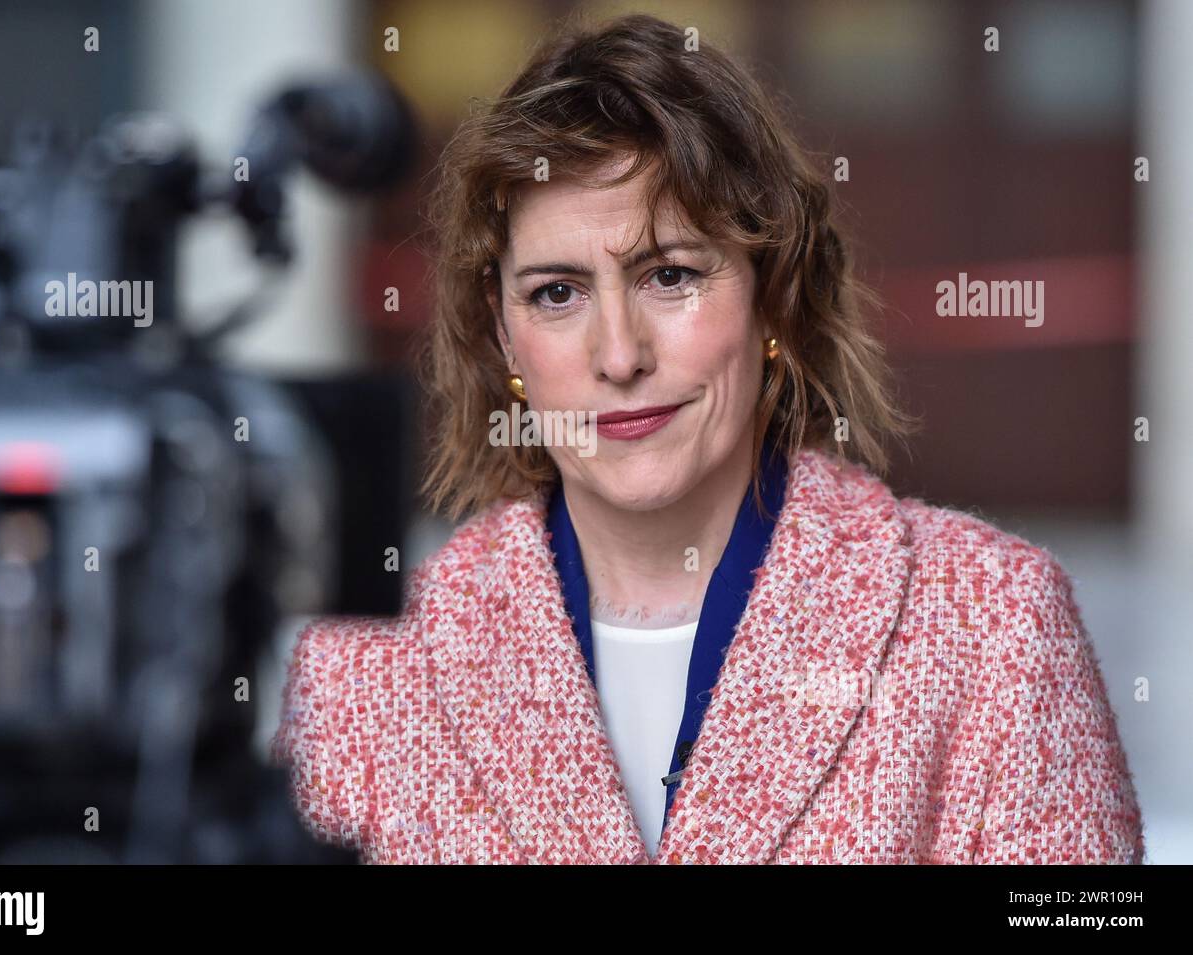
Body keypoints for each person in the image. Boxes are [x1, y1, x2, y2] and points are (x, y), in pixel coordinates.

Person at [272, 12, 1144, 864]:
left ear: (775, 298)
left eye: (670, 275)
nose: (620, 356)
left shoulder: (995, 625)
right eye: (556, 293)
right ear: (503, 339)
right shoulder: (368, 670)